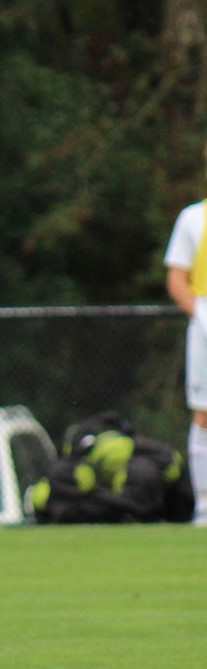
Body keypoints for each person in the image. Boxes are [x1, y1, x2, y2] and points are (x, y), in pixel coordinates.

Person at [164, 141, 207, 525]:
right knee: (205, 414)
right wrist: (200, 314)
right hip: (205, 327)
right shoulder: (193, 218)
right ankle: (205, 504)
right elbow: (177, 278)